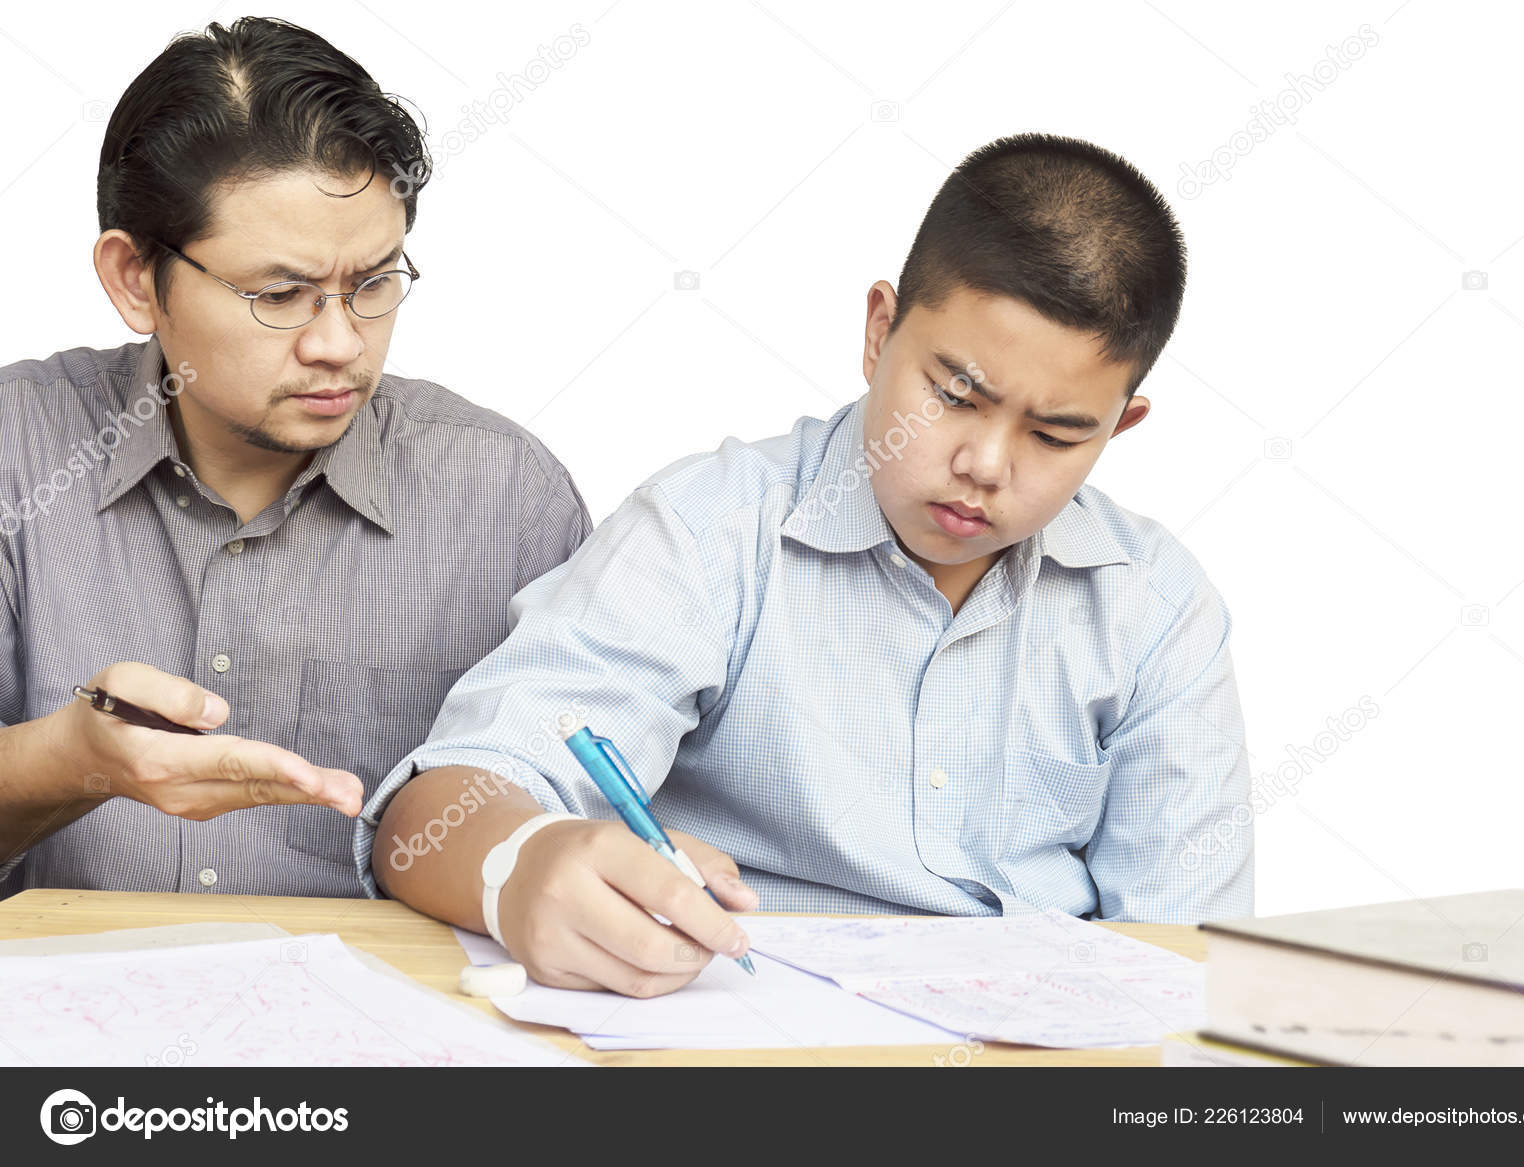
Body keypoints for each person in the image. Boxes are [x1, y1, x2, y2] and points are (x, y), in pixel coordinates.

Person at [368, 133, 1252, 998]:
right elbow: (433, 809)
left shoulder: (1156, 607)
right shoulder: (710, 530)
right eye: (953, 394)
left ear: (1118, 425)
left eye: (1057, 433)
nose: (986, 463)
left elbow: (1185, 958)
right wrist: (523, 863)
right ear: (879, 331)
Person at [0, 17, 589, 899]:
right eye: (280, 294)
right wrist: (66, 762)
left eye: (376, 283)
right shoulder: (15, 449)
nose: (339, 342)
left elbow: (567, 819)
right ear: (133, 280)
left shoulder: (507, 497)